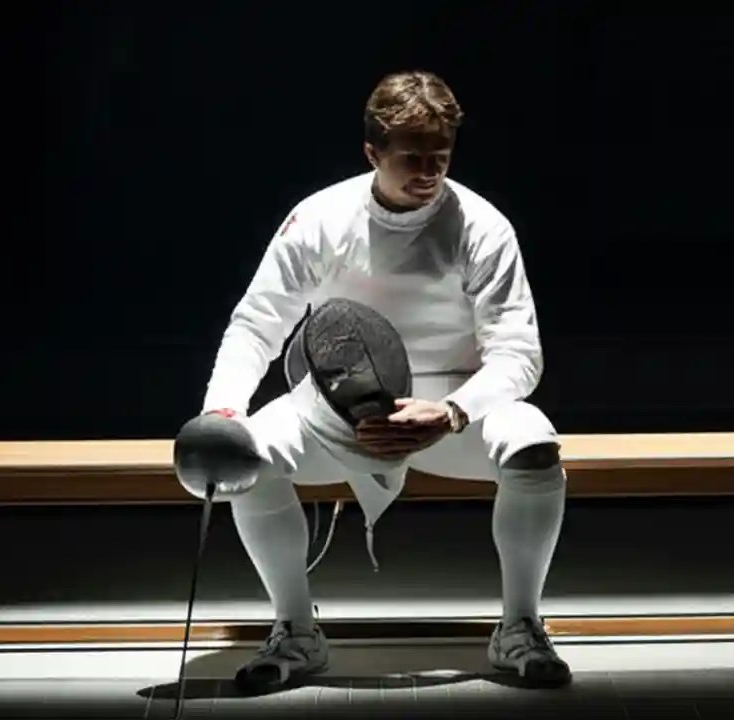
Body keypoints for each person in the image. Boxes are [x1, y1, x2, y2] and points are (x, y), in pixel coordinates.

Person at [197, 70, 571, 691]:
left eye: (441, 158)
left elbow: (518, 357)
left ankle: (519, 627)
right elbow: (257, 323)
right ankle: (295, 630)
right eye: (412, 158)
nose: (428, 172)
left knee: (534, 447)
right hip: (334, 407)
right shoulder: (319, 217)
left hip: (452, 405)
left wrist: (450, 411)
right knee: (249, 455)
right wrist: (221, 415)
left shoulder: (481, 226)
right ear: (373, 152)